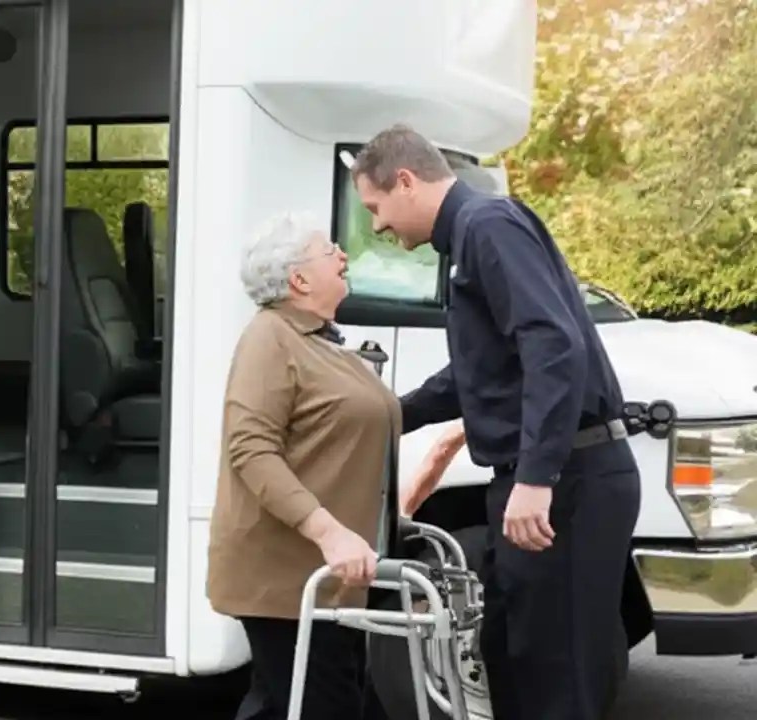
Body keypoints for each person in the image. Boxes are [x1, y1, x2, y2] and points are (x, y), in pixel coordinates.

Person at [350, 124, 641, 720]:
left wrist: (537, 477)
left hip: (568, 483)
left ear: (405, 181)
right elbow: (478, 375)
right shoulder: (474, 238)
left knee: (554, 683)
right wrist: (386, 416)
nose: (379, 227)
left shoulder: (487, 228)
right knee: (513, 660)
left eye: (376, 208)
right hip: (552, 479)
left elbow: (553, 347)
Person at [207, 211, 402, 719]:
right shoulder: (269, 339)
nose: (342, 255)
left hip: (329, 580)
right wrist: (329, 532)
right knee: (323, 705)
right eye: (329, 249)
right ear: (298, 279)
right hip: (288, 579)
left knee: (308, 704)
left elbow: (355, 430)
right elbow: (250, 448)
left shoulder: (319, 341)